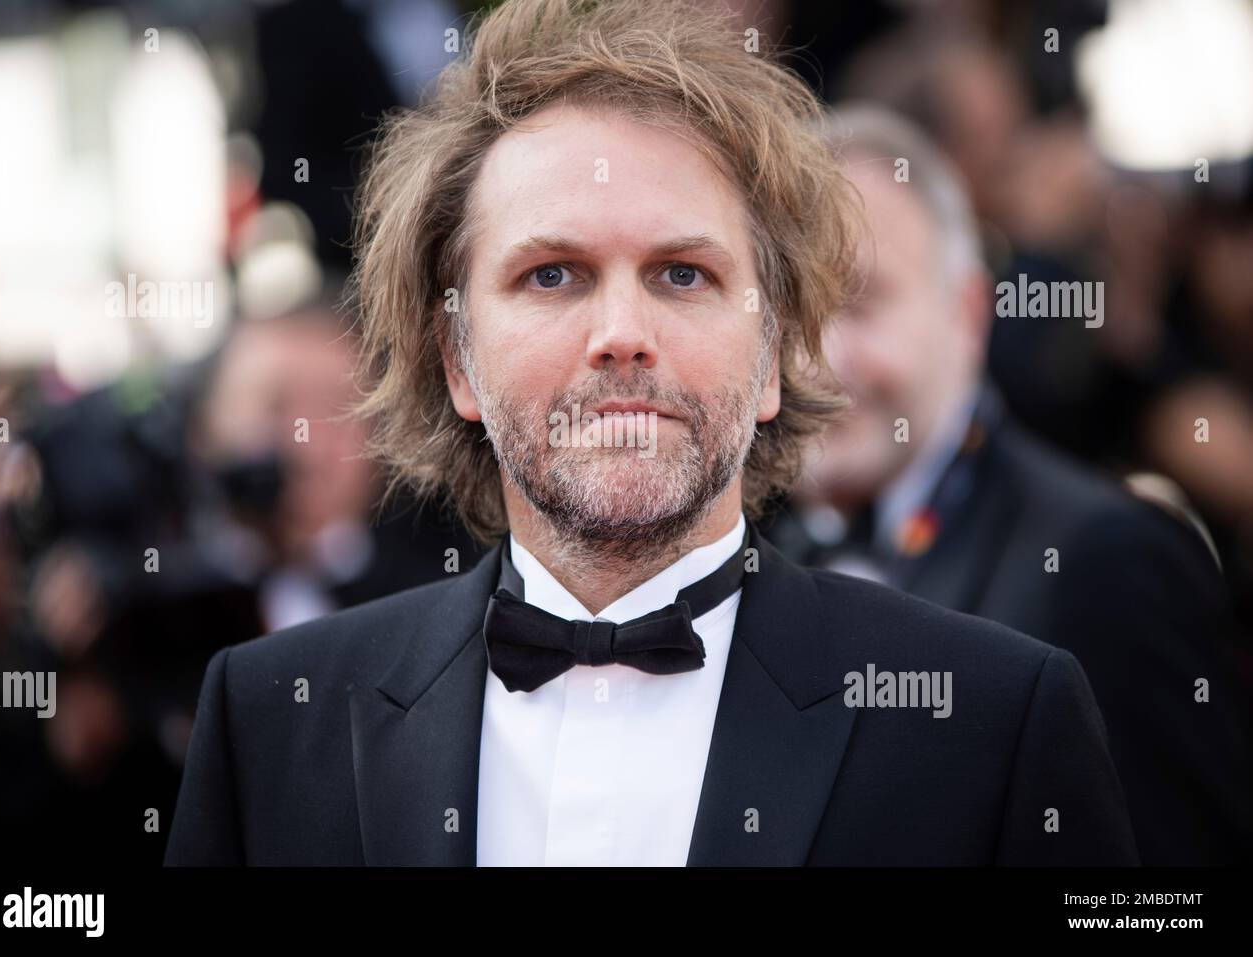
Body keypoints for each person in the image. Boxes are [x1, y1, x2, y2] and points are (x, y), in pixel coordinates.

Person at [165, 0, 1136, 866]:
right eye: (551, 275)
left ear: (772, 355)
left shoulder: (993, 721)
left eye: (681, 274)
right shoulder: (270, 725)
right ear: (456, 359)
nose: (620, 335)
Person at [763, 106, 1252, 865]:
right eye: (793, 311)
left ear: (966, 313)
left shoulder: (1108, 563)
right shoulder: (733, 552)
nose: (820, 361)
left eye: (860, 303)